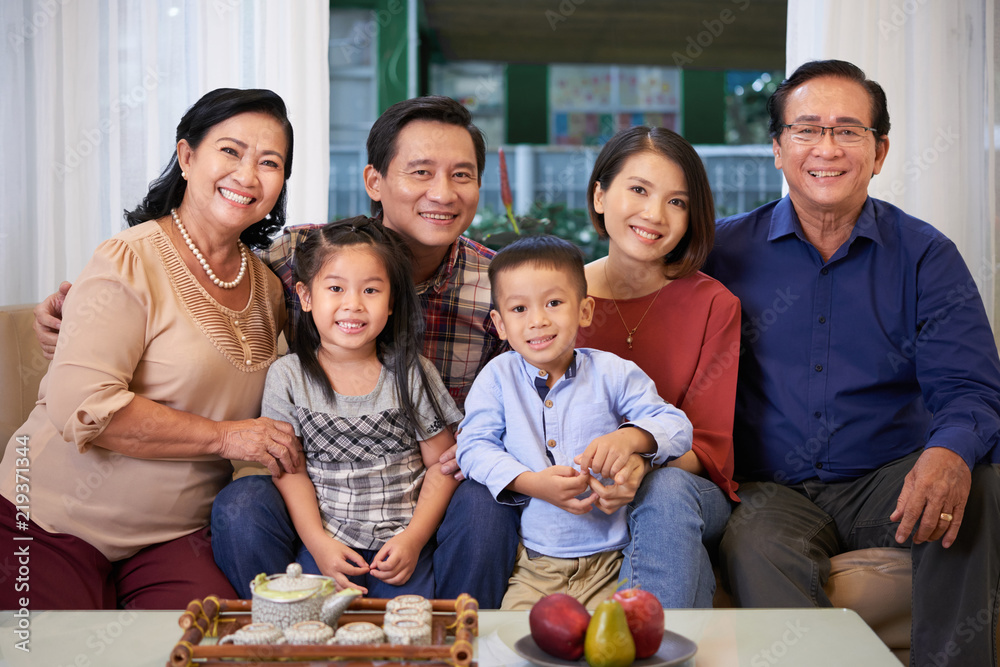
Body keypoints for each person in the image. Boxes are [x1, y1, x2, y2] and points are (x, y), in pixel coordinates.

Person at [703, 60, 1000, 666]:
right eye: (806, 129)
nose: (827, 148)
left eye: (848, 130)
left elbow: (971, 387)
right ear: (779, 150)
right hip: (769, 486)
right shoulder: (722, 251)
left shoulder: (925, 255)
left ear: (880, 150)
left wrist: (950, 452)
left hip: (886, 477)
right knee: (757, 541)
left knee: (978, 484)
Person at [0, 88, 303, 609]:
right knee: (52, 648)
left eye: (269, 162)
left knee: (205, 646)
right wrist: (226, 438)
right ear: (187, 157)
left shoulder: (270, 287)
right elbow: (83, 405)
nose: (248, 175)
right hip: (49, 521)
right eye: (230, 151)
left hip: (174, 536)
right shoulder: (128, 259)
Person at [456, 235, 693, 609]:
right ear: (499, 324)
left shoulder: (611, 372)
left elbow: (677, 426)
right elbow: (472, 447)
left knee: (612, 647)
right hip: (536, 566)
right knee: (515, 648)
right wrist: (530, 483)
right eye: (519, 309)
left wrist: (631, 439)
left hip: (614, 561)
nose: (538, 320)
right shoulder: (497, 377)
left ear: (584, 311)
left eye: (554, 302)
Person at [577, 126, 741, 607]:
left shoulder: (715, 304)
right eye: (639, 190)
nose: (654, 214)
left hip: (683, 489)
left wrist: (639, 466)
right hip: (579, 484)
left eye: (677, 202)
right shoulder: (557, 298)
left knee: (666, 490)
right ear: (600, 195)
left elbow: (710, 450)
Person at [264, 217, 463, 596]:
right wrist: (320, 546)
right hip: (326, 546)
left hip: (404, 548)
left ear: (391, 304)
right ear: (306, 297)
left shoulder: (412, 372)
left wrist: (414, 539)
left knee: (407, 642)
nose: (353, 305)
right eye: (336, 288)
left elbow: (443, 464)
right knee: (324, 639)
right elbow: (289, 472)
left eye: (371, 291)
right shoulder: (287, 378)